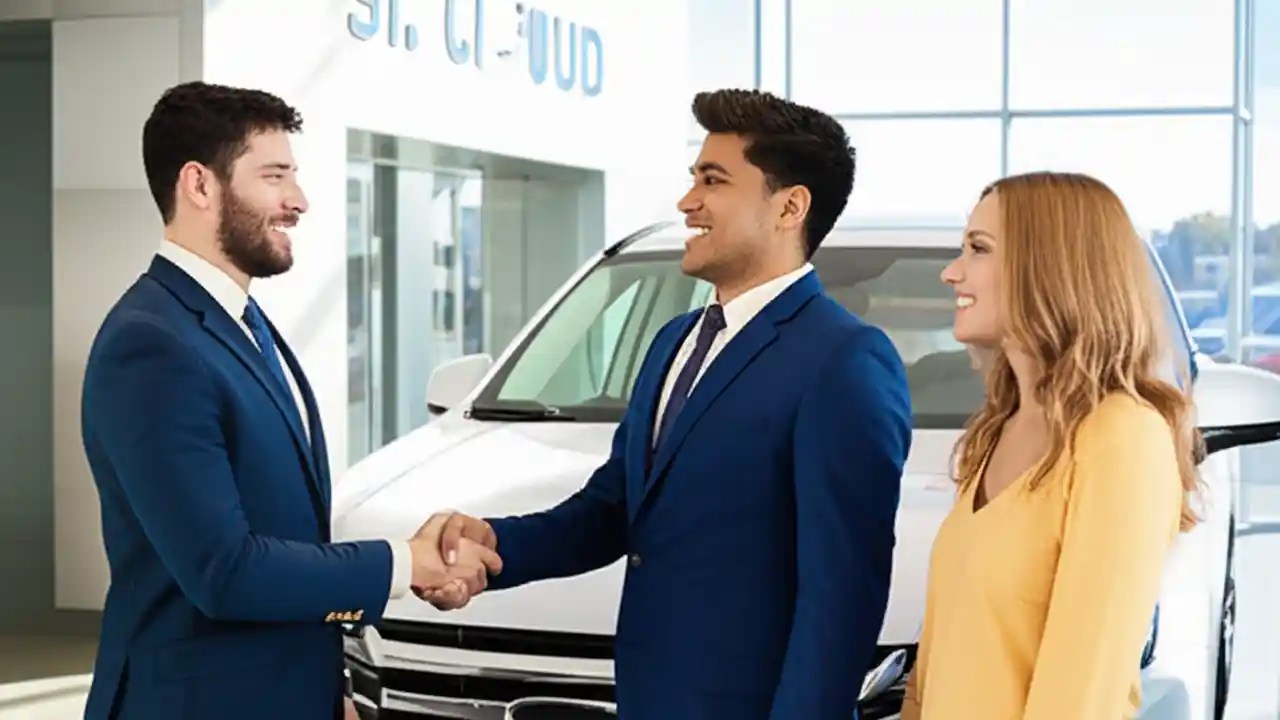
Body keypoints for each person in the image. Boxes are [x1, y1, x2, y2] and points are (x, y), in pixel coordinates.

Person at [420, 89, 913, 719]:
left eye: (714, 180)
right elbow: (615, 510)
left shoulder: (844, 360)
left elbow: (843, 595)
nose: (688, 202)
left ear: (791, 206)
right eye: (693, 178)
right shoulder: (674, 341)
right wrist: (492, 545)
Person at [79, 81, 498, 720]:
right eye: (274, 176)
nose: (298, 201)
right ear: (199, 185)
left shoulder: (240, 323)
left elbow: (281, 531)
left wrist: (328, 688)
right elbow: (225, 571)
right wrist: (406, 563)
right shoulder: (151, 345)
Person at [900, 171, 1201, 719]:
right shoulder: (997, 432)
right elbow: (939, 665)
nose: (952, 272)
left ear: (1051, 267)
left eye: (978, 249)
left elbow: (1082, 693)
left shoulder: (1122, 437)